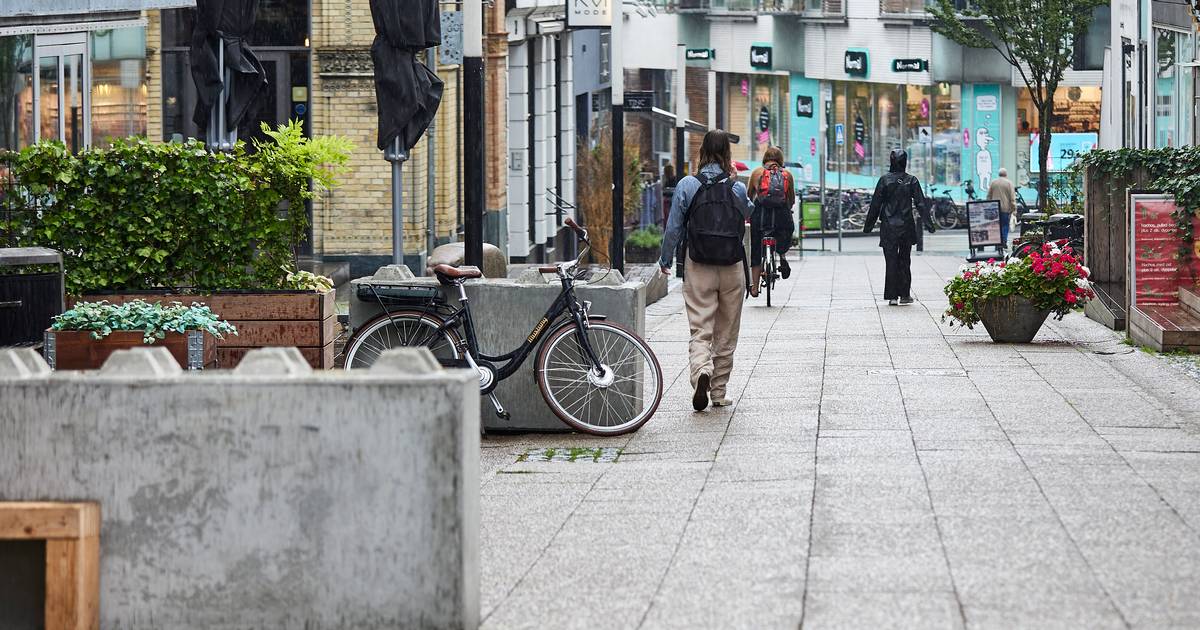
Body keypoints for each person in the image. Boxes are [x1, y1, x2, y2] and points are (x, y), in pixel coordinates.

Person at [659, 130, 753, 411]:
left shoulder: (688, 184)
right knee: (726, 331)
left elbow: (674, 227)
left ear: (702, 152)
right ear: (727, 154)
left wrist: (665, 260)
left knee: (701, 328)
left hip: (698, 263)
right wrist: (735, 184)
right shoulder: (735, 187)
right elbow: (749, 213)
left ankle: (702, 369)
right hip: (731, 266)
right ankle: (719, 392)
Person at [863, 149, 935, 306]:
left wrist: (868, 225)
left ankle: (892, 296)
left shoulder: (884, 180)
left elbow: (875, 204)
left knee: (891, 261)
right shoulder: (911, 180)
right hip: (906, 226)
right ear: (905, 162)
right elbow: (921, 204)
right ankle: (904, 294)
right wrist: (929, 224)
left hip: (889, 227)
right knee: (904, 260)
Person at [747, 146, 796, 297]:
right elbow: (791, 199)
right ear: (781, 159)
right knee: (785, 232)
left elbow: (749, 196)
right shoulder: (787, 174)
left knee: (756, 248)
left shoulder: (756, 173)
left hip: (760, 217)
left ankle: (754, 288)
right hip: (781, 217)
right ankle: (781, 255)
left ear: (765, 158)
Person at [988, 167, 1017, 249]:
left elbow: (989, 196)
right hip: (1005, 208)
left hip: (994, 208)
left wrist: (988, 206)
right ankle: (1003, 240)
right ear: (1006, 174)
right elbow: (1012, 198)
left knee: (997, 225)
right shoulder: (1009, 183)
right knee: (1005, 225)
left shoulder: (993, 183)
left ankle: (997, 242)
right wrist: (1014, 209)